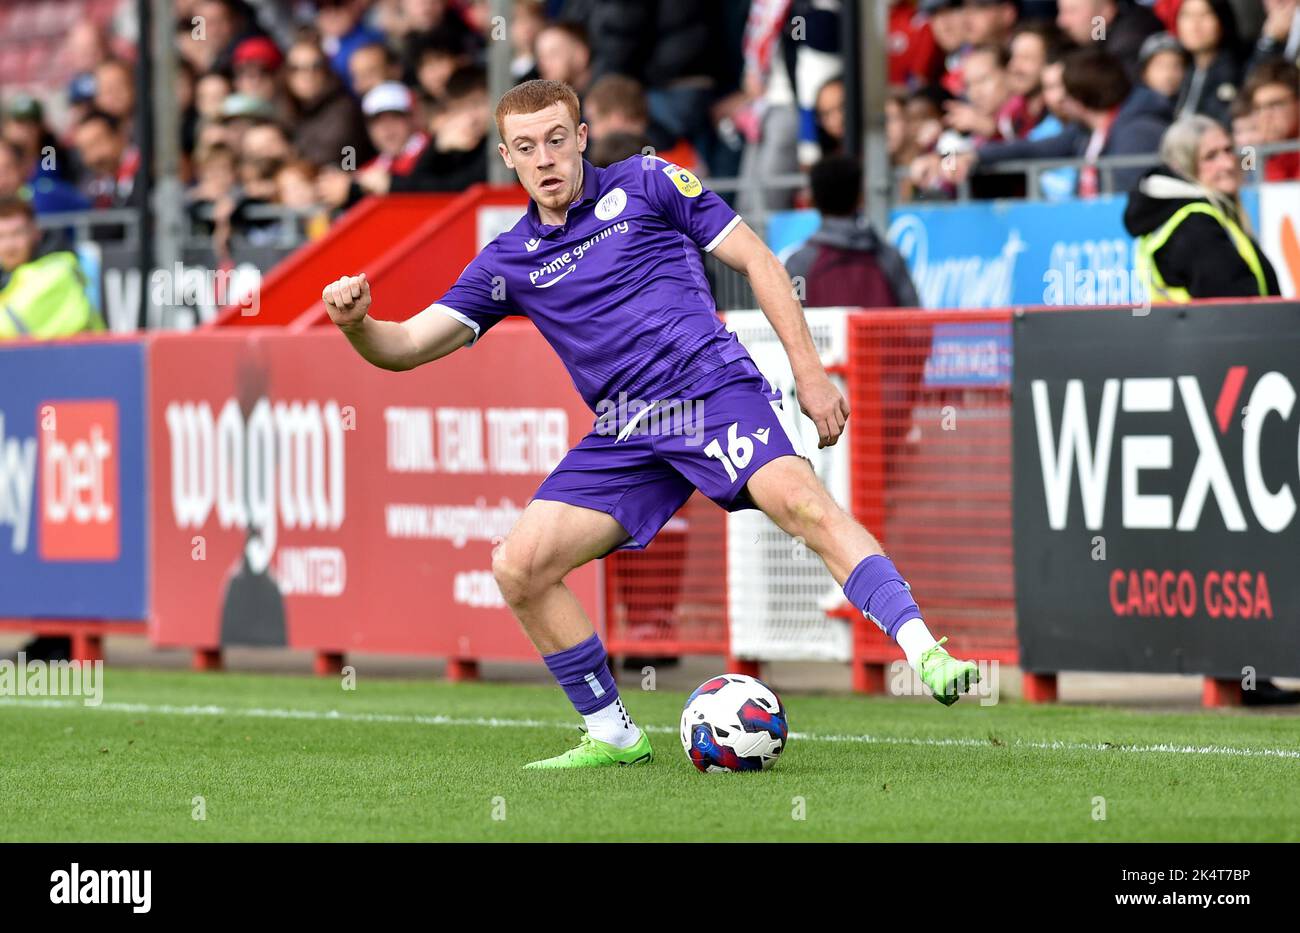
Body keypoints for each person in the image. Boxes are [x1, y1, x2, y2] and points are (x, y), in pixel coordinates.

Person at [320, 79, 980, 770]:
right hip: (627, 429)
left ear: (580, 137)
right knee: (518, 566)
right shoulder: (508, 261)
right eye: (525, 147)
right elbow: (403, 349)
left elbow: (757, 257)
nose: (544, 157)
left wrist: (809, 373)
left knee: (804, 504)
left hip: (709, 389)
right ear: (506, 157)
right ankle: (611, 731)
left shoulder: (648, 181)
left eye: (555, 139)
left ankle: (924, 652)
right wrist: (357, 324)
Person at [1124, 114, 1280, 300]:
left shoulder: (1186, 215)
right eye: (1210, 156)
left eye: (1228, 150)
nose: (1228, 163)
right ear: (1180, 166)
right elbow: (1235, 309)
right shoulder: (1196, 227)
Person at [785, 155, 919, 309]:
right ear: (861, 198)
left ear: (812, 200)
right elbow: (914, 319)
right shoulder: (889, 258)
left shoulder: (799, 264)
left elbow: (792, 319)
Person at [0, 197, 101, 339]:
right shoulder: (7, 276)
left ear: (36, 233)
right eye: (1, 236)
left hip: (85, 357)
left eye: (17, 233)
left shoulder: (59, 270)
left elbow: (9, 323)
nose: (9, 245)